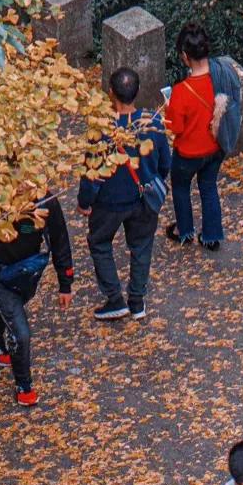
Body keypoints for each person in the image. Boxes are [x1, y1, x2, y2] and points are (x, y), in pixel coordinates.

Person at [77, 67, 172, 323]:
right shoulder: (153, 123)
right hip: (144, 198)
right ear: (137, 92)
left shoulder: (102, 130)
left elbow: (92, 172)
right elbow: (165, 163)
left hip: (109, 202)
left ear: (110, 92)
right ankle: (137, 301)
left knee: (99, 243)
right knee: (141, 248)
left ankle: (114, 298)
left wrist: (85, 201)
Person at [0, 193, 73, 407]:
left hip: (27, 270)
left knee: (11, 307)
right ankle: (24, 386)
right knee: (20, 332)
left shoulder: (45, 201)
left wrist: (65, 281)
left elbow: (60, 239)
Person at [164, 22, 227, 251]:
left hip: (188, 152)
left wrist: (169, 108)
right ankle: (211, 236)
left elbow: (176, 128)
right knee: (208, 187)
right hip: (215, 147)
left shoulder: (181, 91)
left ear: (184, 56)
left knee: (180, 187)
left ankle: (185, 230)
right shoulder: (220, 79)